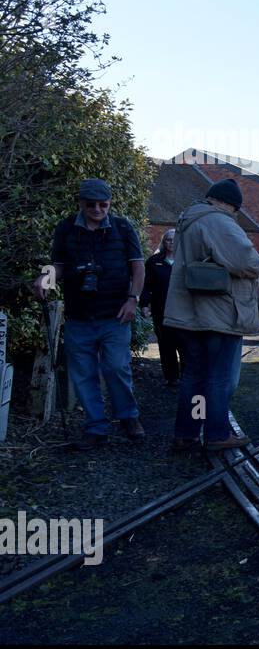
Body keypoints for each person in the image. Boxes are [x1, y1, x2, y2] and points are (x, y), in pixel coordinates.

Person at [36, 179, 146, 449]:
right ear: (80, 203)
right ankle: (95, 427)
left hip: (115, 314)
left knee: (117, 368)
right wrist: (45, 279)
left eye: (103, 204)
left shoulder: (122, 227)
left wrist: (133, 299)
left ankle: (128, 417)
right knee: (83, 374)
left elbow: (138, 267)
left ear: (110, 203)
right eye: (91, 204)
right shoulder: (65, 228)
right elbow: (58, 265)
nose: (97, 209)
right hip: (79, 315)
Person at [165, 178, 259, 451]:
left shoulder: (189, 219)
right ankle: (217, 433)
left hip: (189, 314)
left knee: (194, 375)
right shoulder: (218, 221)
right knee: (219, 377)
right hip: (218, 314)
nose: (235, 216)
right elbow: (246, 261)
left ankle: (187, 432)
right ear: (230, 205)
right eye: (236, 211)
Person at [141, 229, 183, 385]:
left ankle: (187, 378)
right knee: (166, 345)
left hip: (183, 311)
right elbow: (146, 286)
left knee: (184, 345)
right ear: (164, 242)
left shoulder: (186, 261)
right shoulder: (154, 262)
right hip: (161, 310)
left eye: (175, 240)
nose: (172, 243)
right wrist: (145, 305)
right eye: (168, 240)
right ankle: (171, 378)